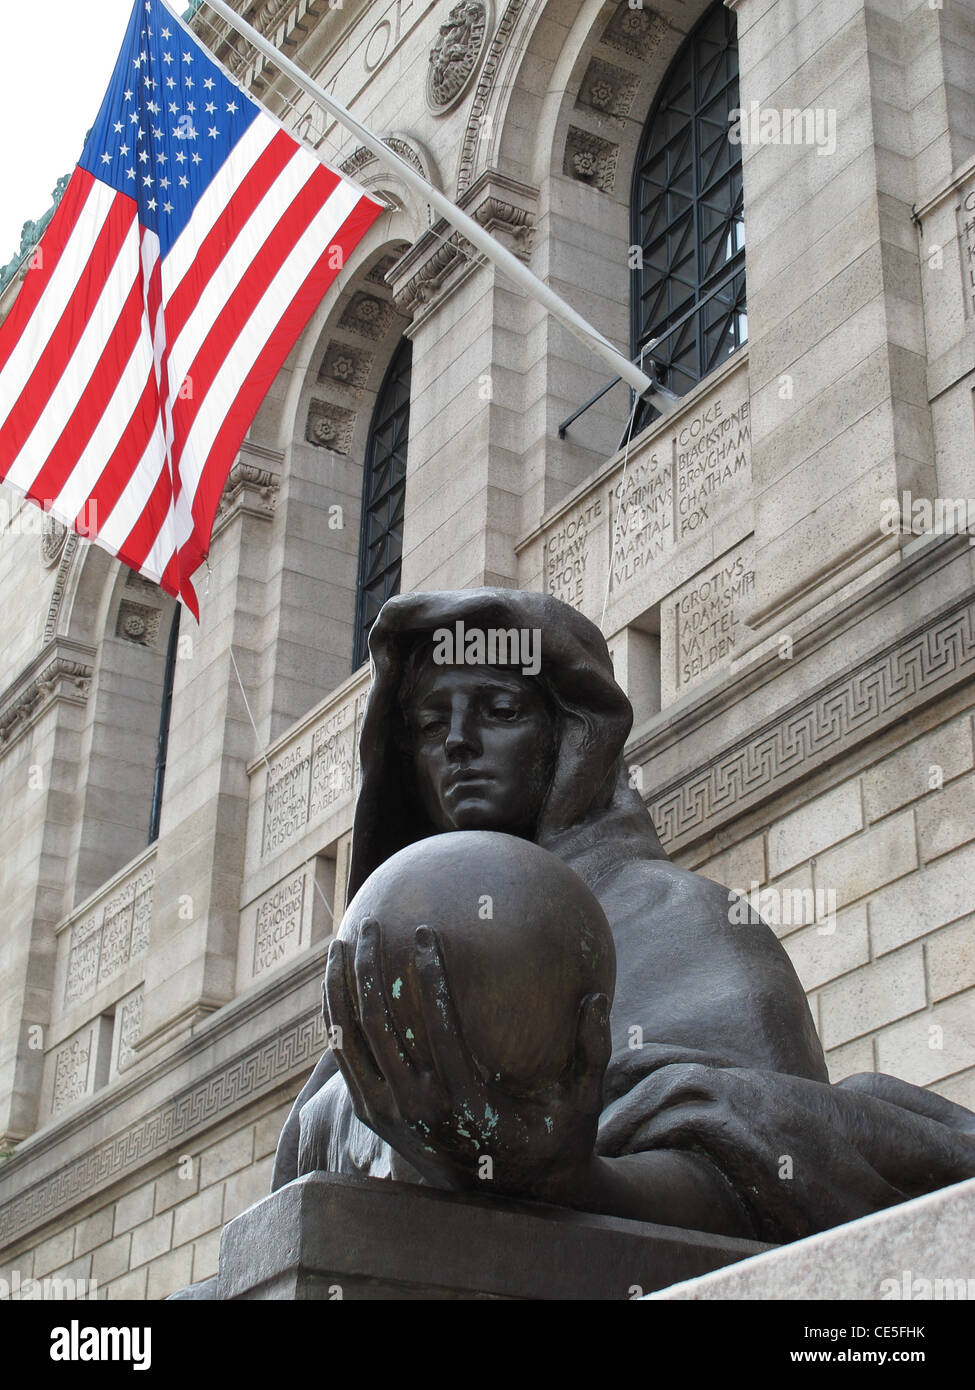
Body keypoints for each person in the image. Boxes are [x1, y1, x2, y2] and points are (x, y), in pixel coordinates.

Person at [272, 588, 975, 1243]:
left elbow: (781, 1180)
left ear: (571, 738)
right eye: (430, 724)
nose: (457, 742)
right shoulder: (383, 977)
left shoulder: (689, 920)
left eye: (499, 710)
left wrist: (575, 1176)